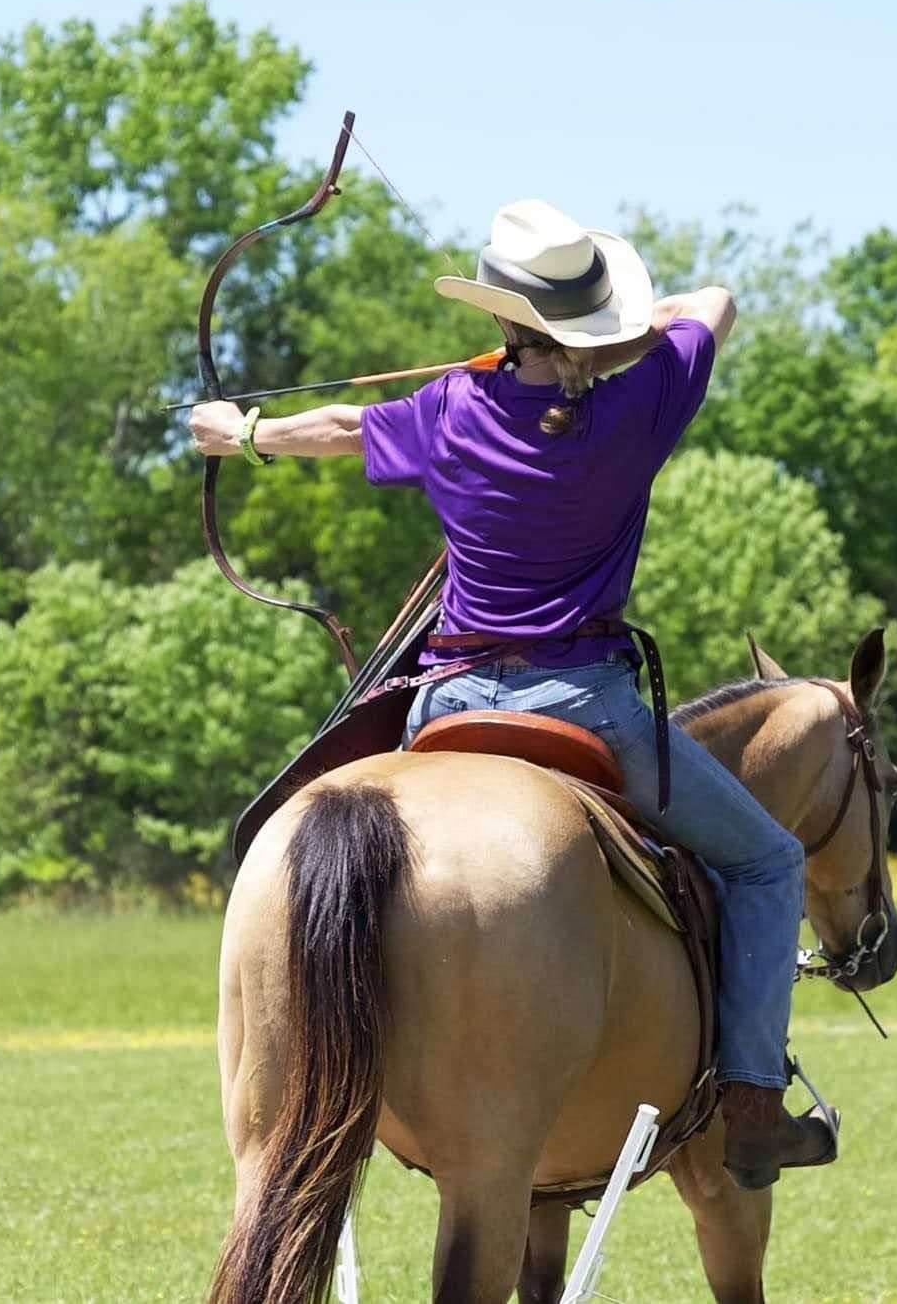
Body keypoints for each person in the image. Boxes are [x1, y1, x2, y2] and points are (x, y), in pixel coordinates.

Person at [189, 199, 837, 1190]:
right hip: (591, 708)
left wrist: (243, 432)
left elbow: (337, 430)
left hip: (447, 707)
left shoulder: (450, 409)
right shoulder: (646, 397)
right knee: (767, 861)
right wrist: (619, 341)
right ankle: (752, 1103)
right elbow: (717, 298)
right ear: (592, 322)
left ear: (501, 319)